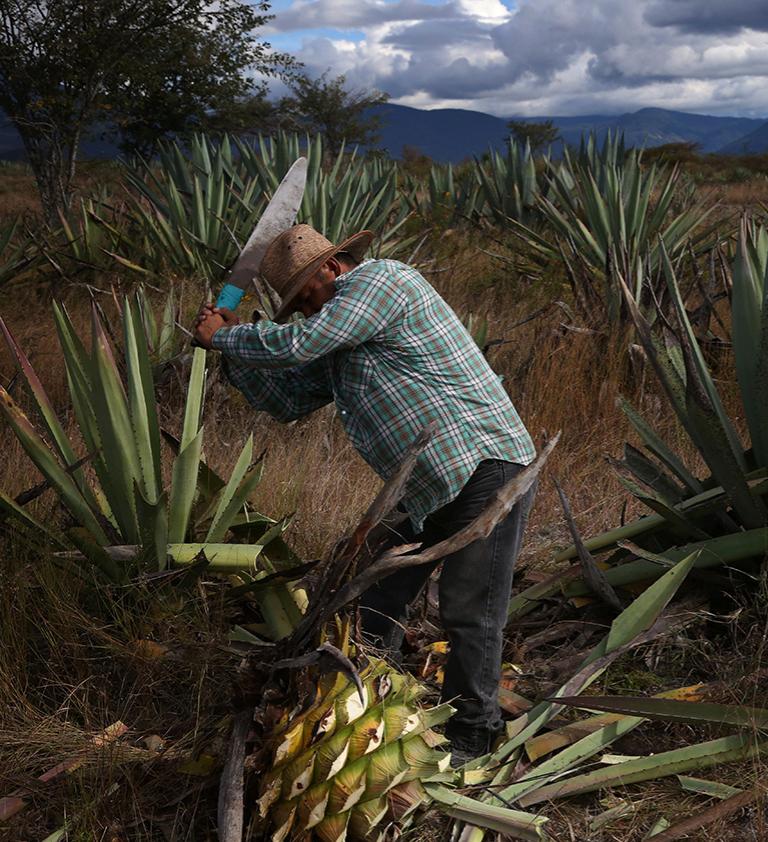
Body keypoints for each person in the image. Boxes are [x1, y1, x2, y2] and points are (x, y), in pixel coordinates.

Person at [192, 224, 537, 762]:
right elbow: (287, 400)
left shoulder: (382, 281)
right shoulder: (338, 337)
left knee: (470, 610)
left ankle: (473, 736)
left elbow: (300, 344)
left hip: (484, 467)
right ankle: (375, 710)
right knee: (370, 594)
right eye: (296, 305)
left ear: (332, 267)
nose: (305, 310)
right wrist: (229, 350)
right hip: (429, 487)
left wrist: (225, 337)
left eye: (306, 295)